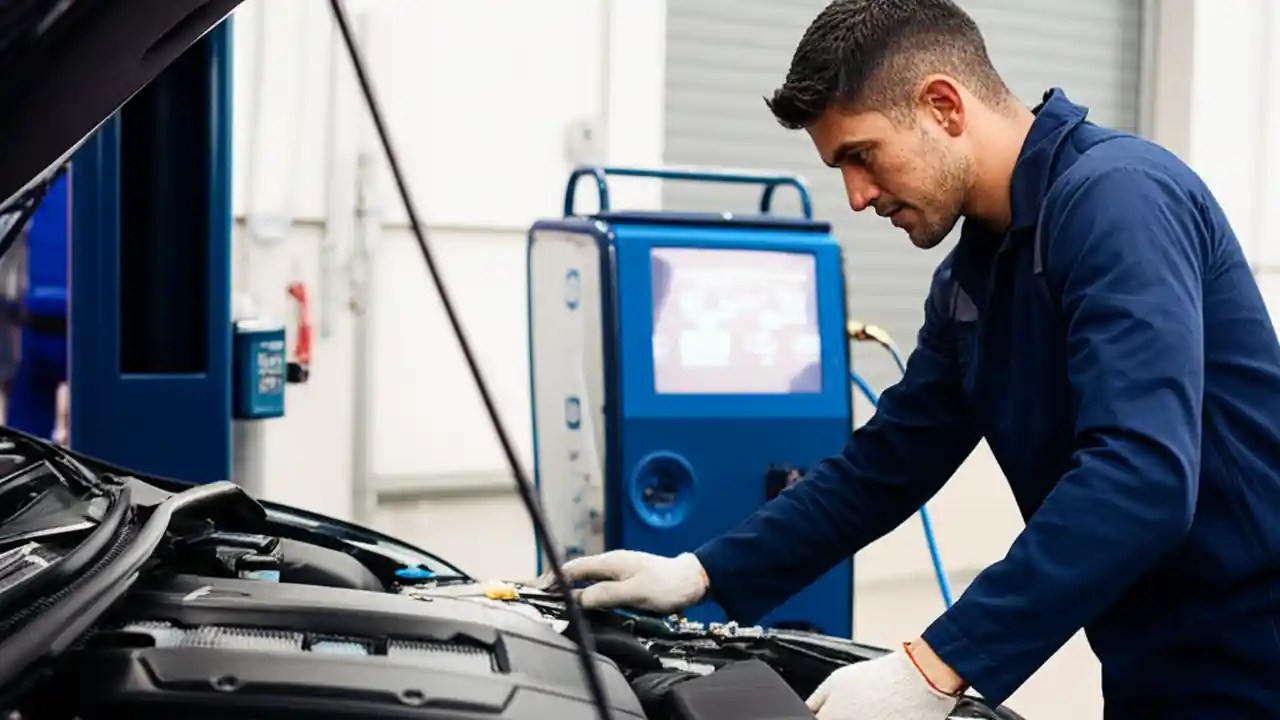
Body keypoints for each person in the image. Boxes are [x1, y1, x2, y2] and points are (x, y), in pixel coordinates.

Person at [558, 1, 1280, 718]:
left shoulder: (1118, 199)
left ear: (943, 105)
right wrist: (702, 571)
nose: (857, 195)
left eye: (861, 156)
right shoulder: (974, 276)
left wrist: (934, 667)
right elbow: (885, 465)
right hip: (1158, 660)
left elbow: (1144, 476)